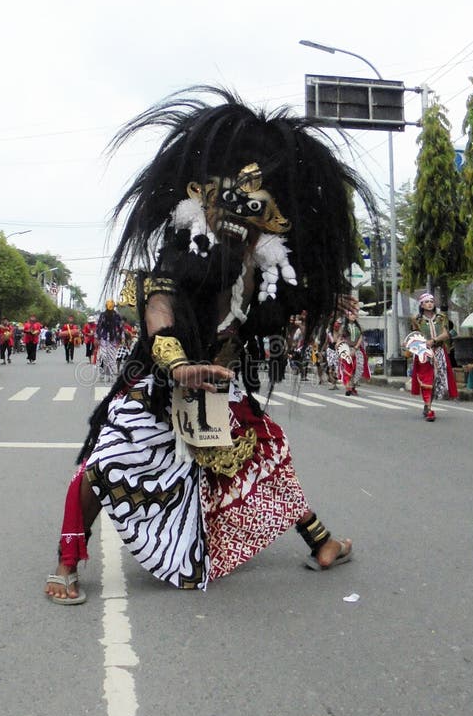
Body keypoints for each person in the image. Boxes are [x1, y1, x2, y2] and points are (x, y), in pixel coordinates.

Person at [45, 86, 377, 602]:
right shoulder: (179, 258)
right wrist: (178, 366)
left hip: (221, 386)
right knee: (103, 463)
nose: (238, 227)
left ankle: (323, 542)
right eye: (230, 211)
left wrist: (322, 299)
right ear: (202, 204)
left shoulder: (261, 277)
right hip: (157, 382)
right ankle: (66, 564)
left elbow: (272, 317)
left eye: (253, 217)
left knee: (268, 454)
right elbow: (158, 311)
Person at [408, 293, 458, 421]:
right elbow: (415, 335)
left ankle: (428, 404)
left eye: (431, 301)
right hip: (424, 353)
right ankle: (429, 409)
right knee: (426, 379)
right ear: (421, 305)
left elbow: (446, 334)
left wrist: (434, 340)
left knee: (436, 379)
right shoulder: (416, 319)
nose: (429, 304)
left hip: (439, 351)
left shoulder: (441, 318)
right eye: (426, 302)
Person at [338, 306, 369, 395]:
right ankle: (348, 387)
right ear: (347, 316)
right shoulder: (343, 327)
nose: (353, 316)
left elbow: (360, 338)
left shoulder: (359, 327)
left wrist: (355, 348)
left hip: (357, 349)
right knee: (348, 368)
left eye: (354, 314)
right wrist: (338, 344)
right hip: (347, 349)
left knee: (358, 368)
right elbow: (340, 338)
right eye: (351, 314)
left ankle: (353, 386)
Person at [96, 299, 123, 382]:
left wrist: (121, 338)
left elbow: (120, 327)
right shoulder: (103, 315)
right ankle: (101, 374)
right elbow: (99, 326)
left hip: (113, 339)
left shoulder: (117, 315)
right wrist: (97, 338)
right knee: (103, 356)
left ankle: (110, 375)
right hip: (104, 339)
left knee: (111, 357)